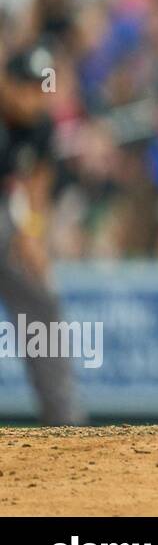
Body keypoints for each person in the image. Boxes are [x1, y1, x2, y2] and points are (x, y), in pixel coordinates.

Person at [0, 44, 87, 425]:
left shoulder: (40, 124)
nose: (34, 97)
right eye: (26, 86)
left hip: (6, 218)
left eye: (41, 87)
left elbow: (38, 182)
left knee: (43, 299)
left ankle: (64, 421)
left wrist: (32, 234)